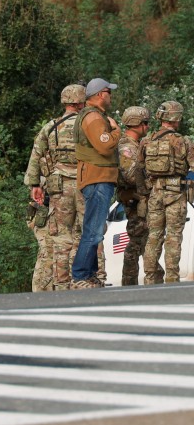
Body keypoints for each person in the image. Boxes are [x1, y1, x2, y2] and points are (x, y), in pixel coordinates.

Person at [23, 83, 86, 290]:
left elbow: (36, 154)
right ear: (81, 101)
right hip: (86, 184)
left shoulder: (50, 127)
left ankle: (61, 285)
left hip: (58, 187)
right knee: (88, 234)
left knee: (60, 237)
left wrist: (34, 184)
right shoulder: (89, 124)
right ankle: (87, 280)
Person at [71, 77, 121, 289]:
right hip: (98, 179)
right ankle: (80, 276)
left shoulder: (93, 115)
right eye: (109, 92)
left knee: (94, 229)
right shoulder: (93, 118)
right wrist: (116, 130)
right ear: (100, 94)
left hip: (97, 178)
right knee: (94, 231)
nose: (111, 96)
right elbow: (105, 146)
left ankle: (89, 275)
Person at [139, 101, 194, 284]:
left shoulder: (147, 141)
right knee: (174, 237)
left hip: (155, 194)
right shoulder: (183, 141)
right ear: (176, 118)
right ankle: (172, 279)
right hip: (176, 194)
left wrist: (145, 191)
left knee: (153, 236)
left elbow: (138, 169)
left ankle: (150, 278)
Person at [116, 106, 152, 285]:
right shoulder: (126, 147)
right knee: (137, 243)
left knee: (142, 242)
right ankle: (129, 284)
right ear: (136, 123)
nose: (147, 126)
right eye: (145, 122)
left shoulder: (136, 145)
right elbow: (130, 176)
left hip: (140, 200)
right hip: (135, 201)